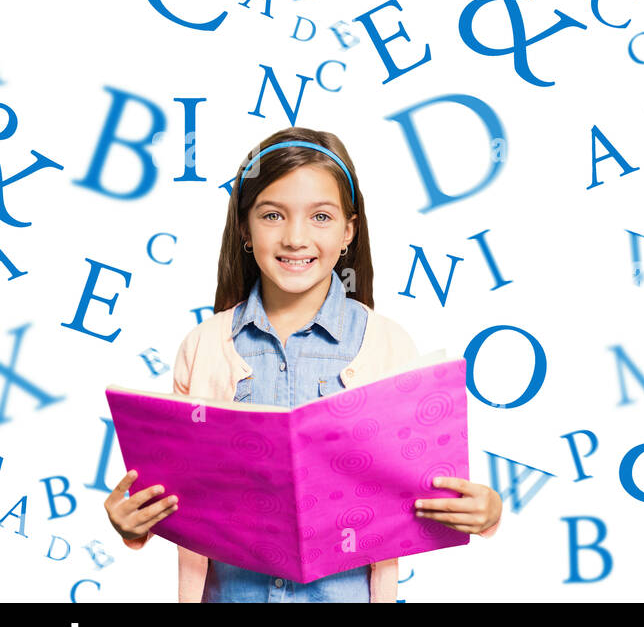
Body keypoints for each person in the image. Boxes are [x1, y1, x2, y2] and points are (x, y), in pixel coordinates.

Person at [103, 127, 502, 602]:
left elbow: (413, 493)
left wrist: (486, 512)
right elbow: (184, 498)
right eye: (273, 215)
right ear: (245, 229)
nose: (295, 237)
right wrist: (134, 525)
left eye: (320, 216)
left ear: (348, 231)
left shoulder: (389, 345)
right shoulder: (203, 346)